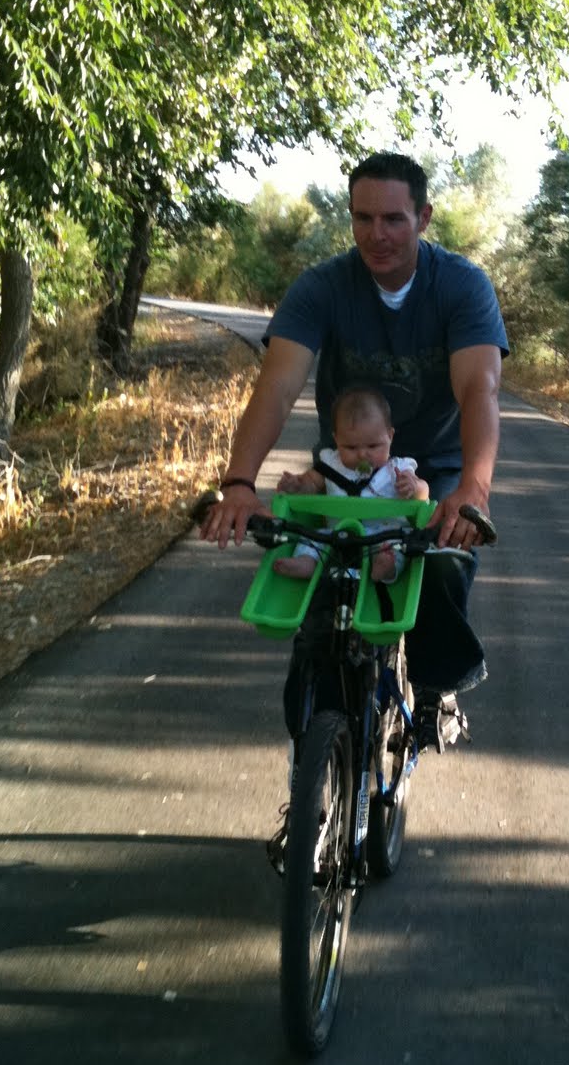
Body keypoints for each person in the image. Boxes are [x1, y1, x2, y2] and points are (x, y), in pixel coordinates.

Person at [200, 149, 507, 749]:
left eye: (393, 219)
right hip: (345, 465)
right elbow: (279, 384)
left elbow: (480, 388)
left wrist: (473, 487)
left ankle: (435, 684)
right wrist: (239, 483)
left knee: (443, 561)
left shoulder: (462, 287)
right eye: (362, 218)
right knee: (318, 583)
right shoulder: (322, 287)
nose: (377, 234)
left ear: (423, 218)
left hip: (435, 465)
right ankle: (317, 768)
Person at [273, 385, 429, 583]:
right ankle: (306, 563)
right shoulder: (331, 464)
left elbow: (424, 493)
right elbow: (312, 483)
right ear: (336, 439)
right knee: (312, 537)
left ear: (389, 436)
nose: (363, 454)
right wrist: (297, 485)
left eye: (373, 446)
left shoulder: (397, 469)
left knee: (398, 546)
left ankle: (384, 568)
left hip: (382, 536)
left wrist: (414, 488)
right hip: (337, 535)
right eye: (351, 447)